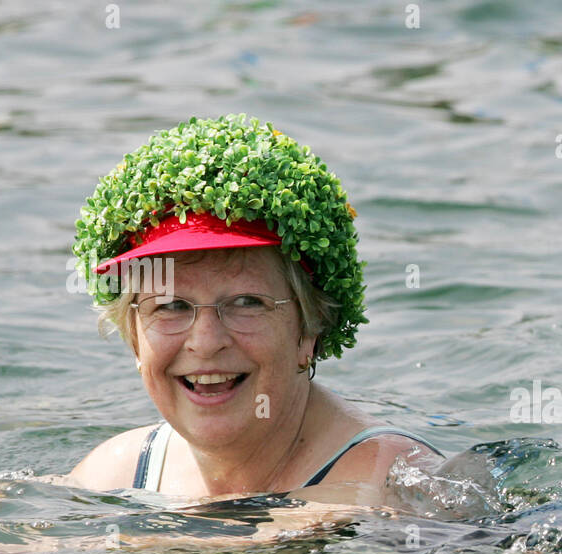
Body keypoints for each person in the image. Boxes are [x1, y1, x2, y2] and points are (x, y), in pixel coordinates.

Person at [64, 115, 441, 500]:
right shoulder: (114, 473)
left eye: (246, 303)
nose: (206, 342)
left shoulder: (393, 483)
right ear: (134, 334)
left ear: (309, 327)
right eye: (171, 306)